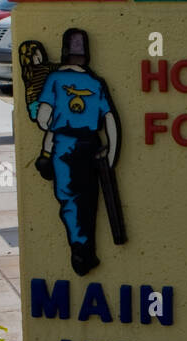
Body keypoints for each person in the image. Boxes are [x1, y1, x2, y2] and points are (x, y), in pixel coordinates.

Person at [25, 29, 124, 275]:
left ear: (65, 53)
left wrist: (51, 121)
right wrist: (111, 155)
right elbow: (110, 119)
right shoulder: (95, 83)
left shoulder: (55, 80)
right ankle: (86, 250)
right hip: (91, 147)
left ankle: (80, 250)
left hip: (64, 146)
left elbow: (44, 118)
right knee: (89, 201)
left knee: (69, 199)